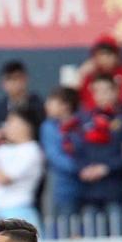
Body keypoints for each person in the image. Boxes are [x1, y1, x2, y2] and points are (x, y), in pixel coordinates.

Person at [74, 75, 122, 214]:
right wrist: (84, 168)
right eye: (97, 91)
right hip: (89, 190)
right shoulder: (84, 120)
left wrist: (107, 168)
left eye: (106, 91)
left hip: (116, 189)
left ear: (115, 92)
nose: (101, 95)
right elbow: (78, 149)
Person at [0, 107, 45, 226]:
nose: (6, 127)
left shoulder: (32, 150)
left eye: (11, 122)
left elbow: (3, 178)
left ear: (26, 125)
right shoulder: (4, 148)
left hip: (18, 212)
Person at [42, 87, 84, 221]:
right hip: (59, 187)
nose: (46, 105)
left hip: (85, 187)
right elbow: (54, 156)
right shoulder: (48, 127)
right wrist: (80, 168)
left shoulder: (83, 124)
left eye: (51, 102)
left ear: (66, 105)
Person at [0, 60, 45, 132]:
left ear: (25, 79)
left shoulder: (38, 106)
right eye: (9, 79)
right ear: (2, 83)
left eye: (16, 78)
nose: (13, 83)